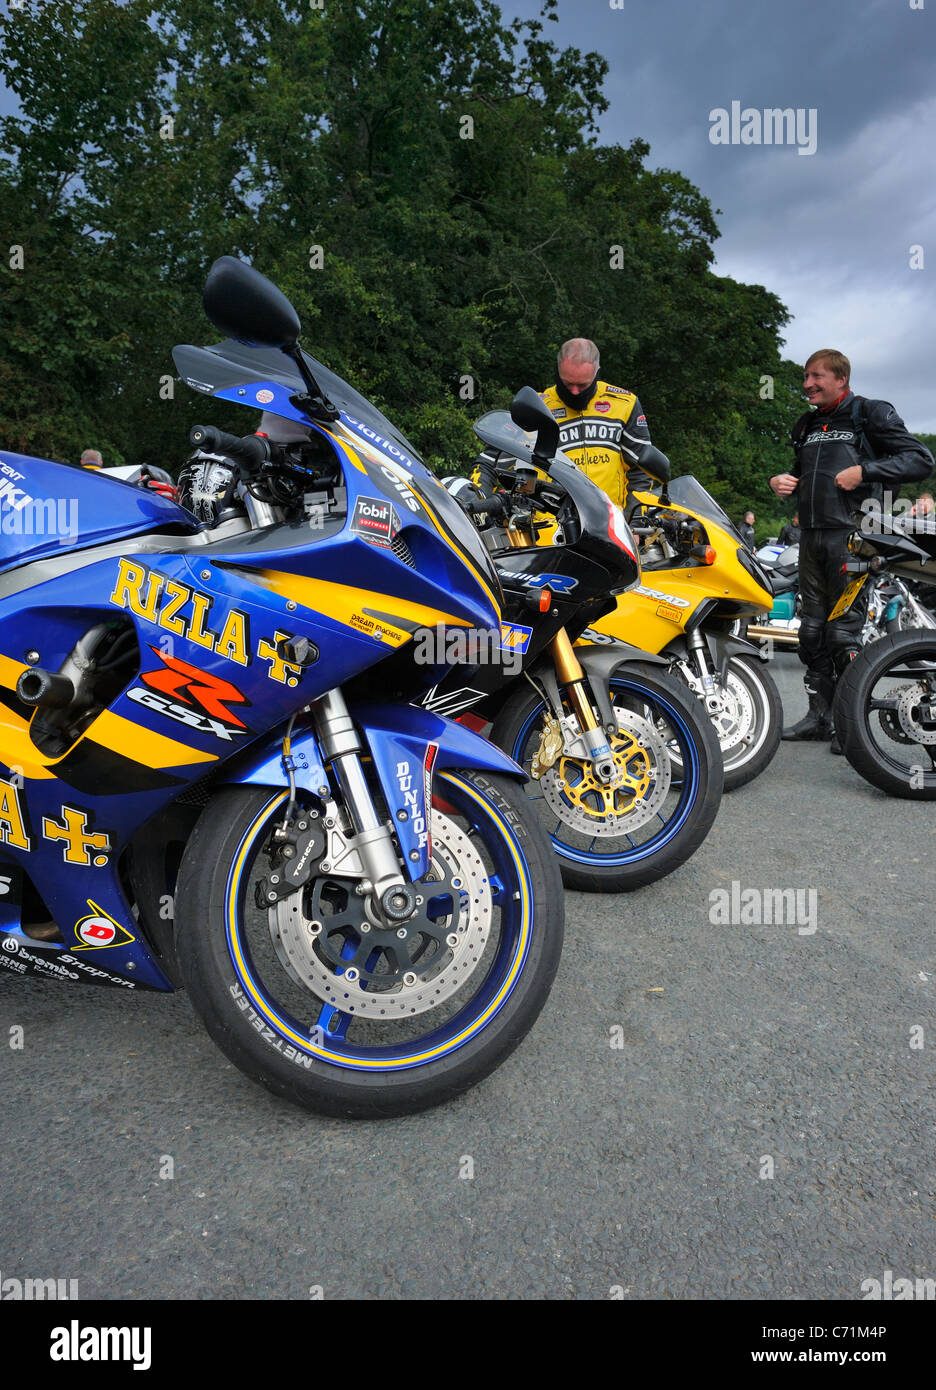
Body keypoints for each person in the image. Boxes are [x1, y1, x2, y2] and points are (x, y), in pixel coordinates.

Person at [770, 349, 933, 749]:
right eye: (805, 377)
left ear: (840, 379)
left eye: (816, 376)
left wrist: (867, 470)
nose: (807, 384)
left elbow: (920, 460)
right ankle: (819, 717)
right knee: (810, 633)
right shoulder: (806, 423)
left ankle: (850, 725)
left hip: (856, 538)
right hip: (811, 537)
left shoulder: (870, 413)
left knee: (843, 634)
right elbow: (804, 472)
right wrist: (782, 481)